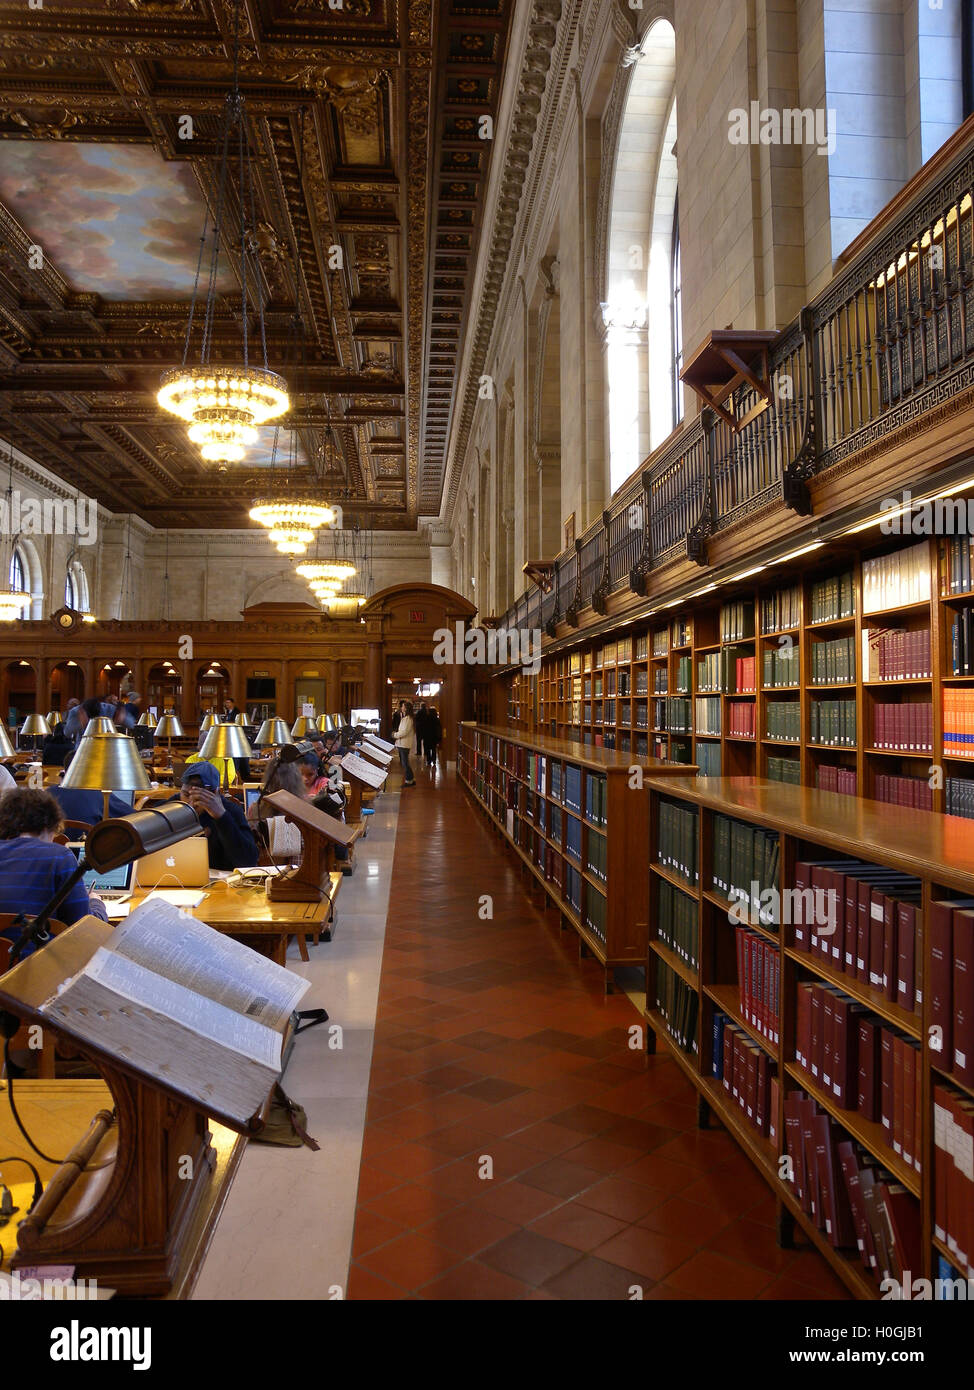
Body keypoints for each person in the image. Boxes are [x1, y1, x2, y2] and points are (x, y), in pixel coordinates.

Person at [0, 788, 108, 954]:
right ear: (49, 824)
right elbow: (85, 931)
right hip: (36, 971)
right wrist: (96, 903)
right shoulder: (59, 857)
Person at [177, 761, 258, 871]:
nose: (190, 803)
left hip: (222, 882)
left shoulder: (232, 811)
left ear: (215, 793)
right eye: (186, 795)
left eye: (198, 797)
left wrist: (221, 817)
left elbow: (249, 862)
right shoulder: (175, 806)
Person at [50, 751, 134, 827]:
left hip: (51, 843)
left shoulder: (49, 793)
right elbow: (132, 816)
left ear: (65, 770)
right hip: (88, 843)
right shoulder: (99, 794)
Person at [394, 702, 416, 787]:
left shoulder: (408, 719)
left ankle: (408, 781)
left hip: (404, 743)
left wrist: (394, 735)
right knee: (405, 762)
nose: (401, 707)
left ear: (406, 708)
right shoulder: (406, 718)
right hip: (402, 743)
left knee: (405, 763)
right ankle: (411, 779)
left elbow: (404, 732)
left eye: (403, 706)